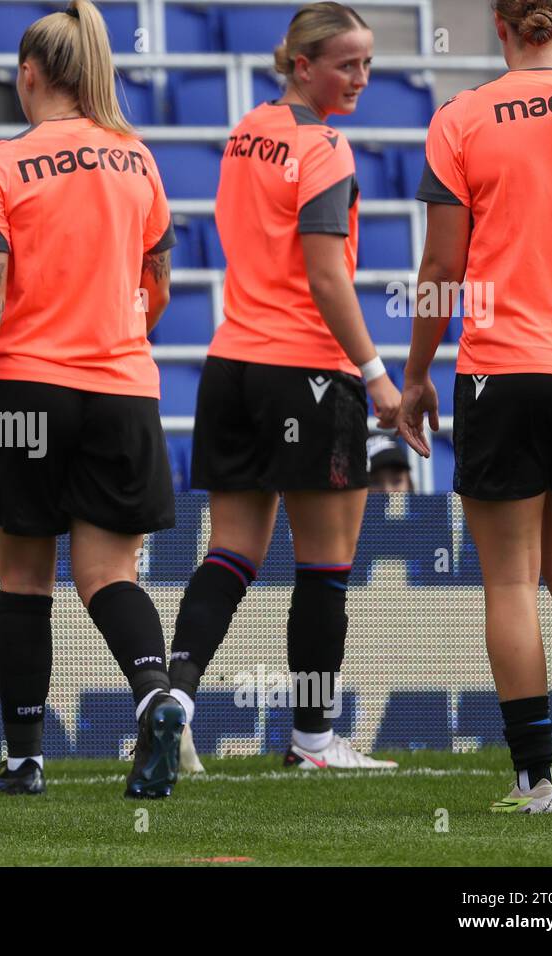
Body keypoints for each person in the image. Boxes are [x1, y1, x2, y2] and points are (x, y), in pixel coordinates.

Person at [399, 0, 552, 813]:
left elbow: (441, 263)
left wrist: (417, 374)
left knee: (510, 578)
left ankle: (536, 780)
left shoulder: (463, 119)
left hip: (503, 368)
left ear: (500, 25)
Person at [0, 0, 184, 798]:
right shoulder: (137, 159)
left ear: (29, 74)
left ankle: (24, 762)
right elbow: (158, 283)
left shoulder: (1, 164)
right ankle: (155, 693)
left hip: (27, 387)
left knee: (24, 578)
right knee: (109, 573)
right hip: (123, 389)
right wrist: (120, 335)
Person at [166, 2, 401, 772]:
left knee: (230, 553)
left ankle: (174, 698)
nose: (362, 78)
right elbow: (327, 276)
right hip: (308, 367)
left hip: (232, 362)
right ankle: (312, 740)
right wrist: (377, 374)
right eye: (347, 64)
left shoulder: (246, 131)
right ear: (303, 65)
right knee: (326, 565)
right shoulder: (325, 147)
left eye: (367, 63)